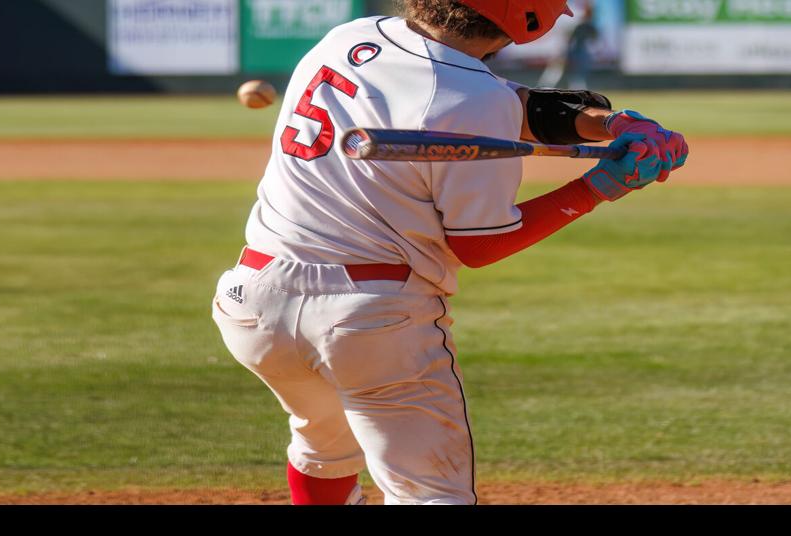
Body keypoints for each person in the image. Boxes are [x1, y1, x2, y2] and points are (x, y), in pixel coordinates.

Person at [211, 0, 688, 504]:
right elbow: (482, 244)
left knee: (324, 445)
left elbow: (513, 104)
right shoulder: (473, 97)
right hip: (369, 323)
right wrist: (597, 188)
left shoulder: (352, 34)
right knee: (431, 493)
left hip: (254, 302)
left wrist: (611, 125)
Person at [536, 0, 595, 90]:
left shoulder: (582, 13)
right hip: (564, 46)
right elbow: (567, 32)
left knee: (577, 73)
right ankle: (543, 89)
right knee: (556, 69)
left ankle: (578, 90)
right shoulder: (573, 11)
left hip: (576, 48)